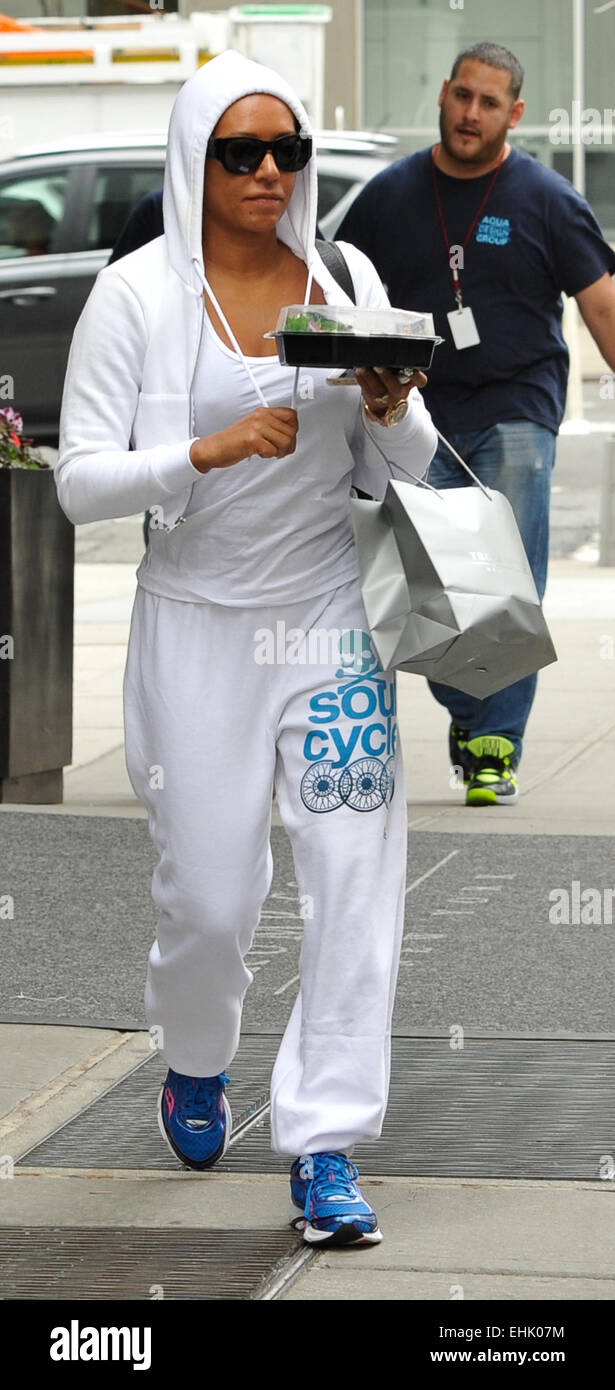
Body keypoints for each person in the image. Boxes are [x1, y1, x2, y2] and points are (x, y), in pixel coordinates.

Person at [55, 50, 437, 1247]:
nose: (270, 172)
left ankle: (325, 1142)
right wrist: (206, 452)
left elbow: (414, 462)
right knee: (211, 901)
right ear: (194, 158)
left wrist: (390, 404)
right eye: (241, 152)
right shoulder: (134, 299)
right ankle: (200, 1059)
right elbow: (74, 484)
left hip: (329, 622)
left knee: (354, 886)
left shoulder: (346, 272)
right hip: (194, 629)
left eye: (288, 152)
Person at [338, 41, 615, 807]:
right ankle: (468, 707)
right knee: (423, 587)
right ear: (442, 94)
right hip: (411, 416)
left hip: (514, 409)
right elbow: (333, 292)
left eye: (488, 102)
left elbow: (601, 308)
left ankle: (494, 742)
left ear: (514, 114)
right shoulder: (388, 195)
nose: (470, 113)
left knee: (501, 578)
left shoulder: (547, 200)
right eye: (462, 95)